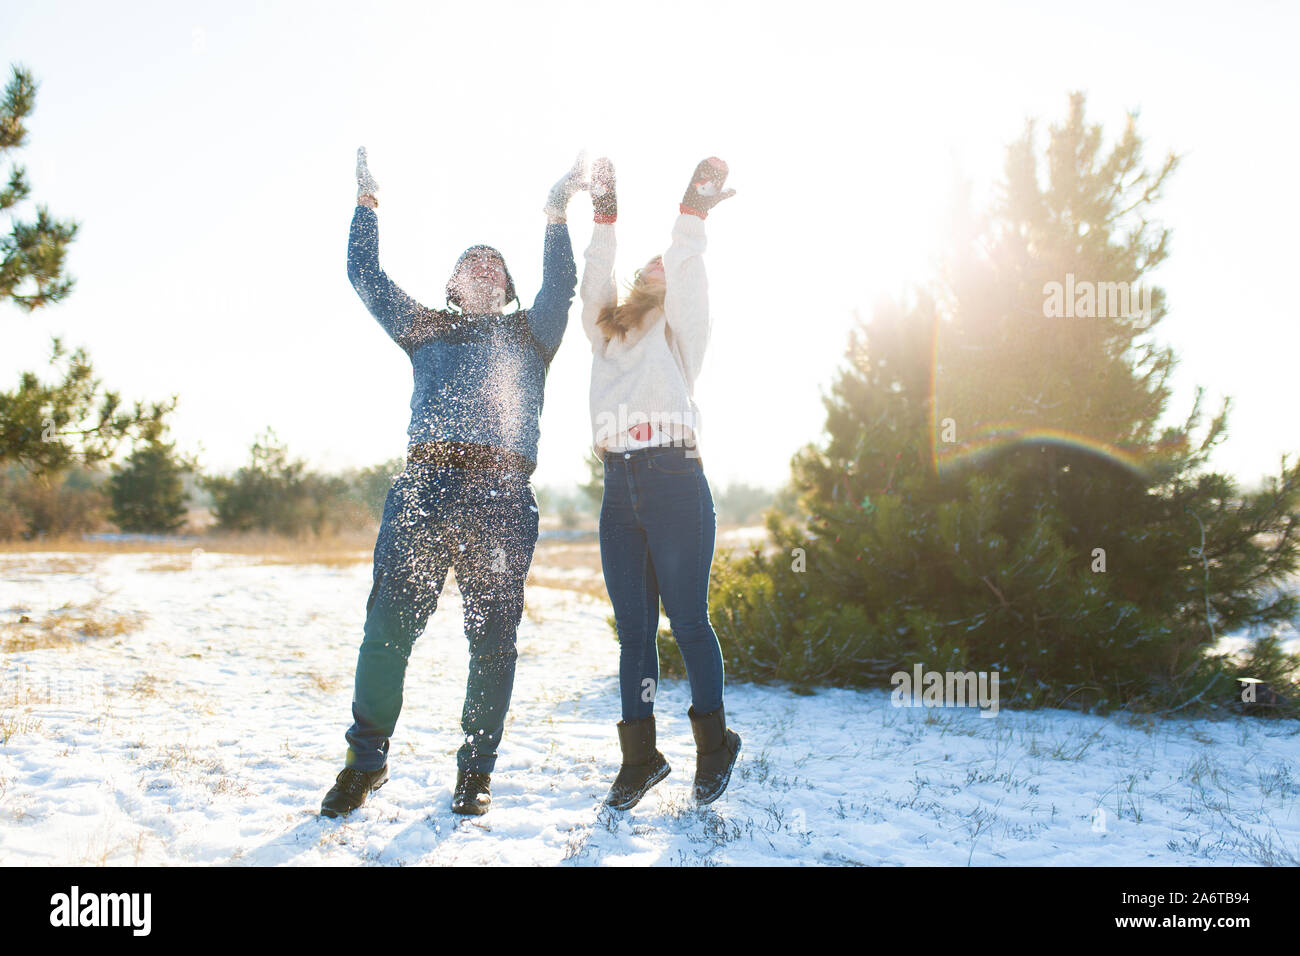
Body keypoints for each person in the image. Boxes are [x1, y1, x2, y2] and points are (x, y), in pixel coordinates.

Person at [320, 148, 582, 818]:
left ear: (508, 287)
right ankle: (365, 761)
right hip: (424, 491)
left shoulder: (533, 333)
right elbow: (363, 274)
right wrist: (367, 204)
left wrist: (555, 213)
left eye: (495, 262)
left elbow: (561, 285)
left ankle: (475, 771)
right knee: (388, 630)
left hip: (501, 500)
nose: (484, 264)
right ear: (452, 284)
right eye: (472, 260)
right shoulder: (424, 328)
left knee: (492, 641)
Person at [579, 156, 741, 810]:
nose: (657, 268)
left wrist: (691, 214)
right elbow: (595, 279)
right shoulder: (607, 332)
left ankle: (714, 743)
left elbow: (686, 266)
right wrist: (605, 216)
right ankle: (640, 756)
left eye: (664, 267)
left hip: (673, 476)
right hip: (618, 486)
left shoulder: (679, 331)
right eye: (648, 265)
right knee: (635, 631)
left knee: (689, 619)